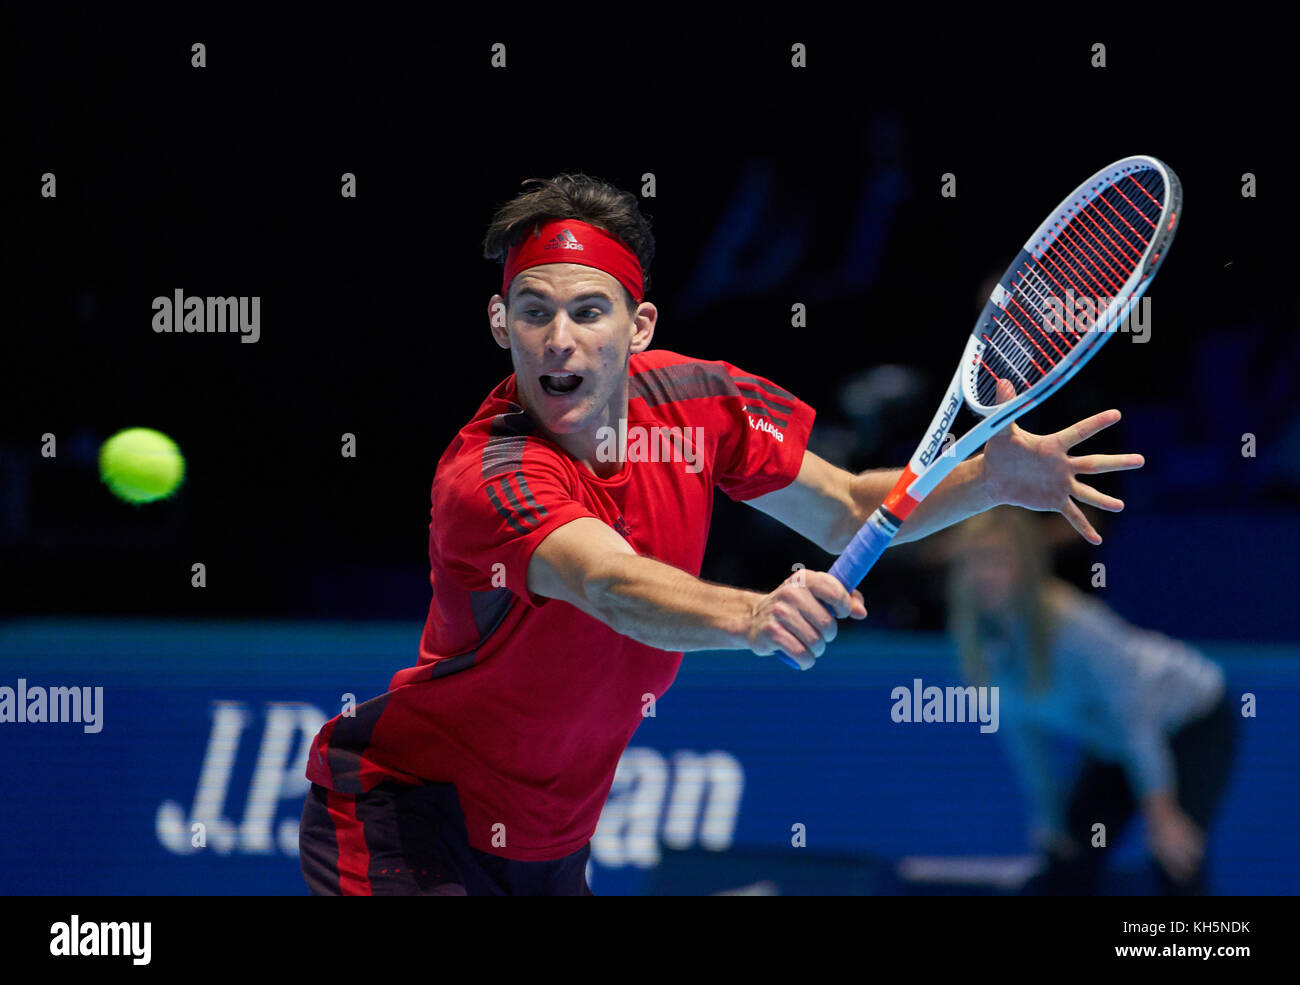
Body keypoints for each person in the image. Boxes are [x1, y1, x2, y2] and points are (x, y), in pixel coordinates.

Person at [299, 173, 1144, 895]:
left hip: (550, 845)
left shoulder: (701, 401)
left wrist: (988, 480)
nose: (560, 339)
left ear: (639, 327)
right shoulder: (489, 475)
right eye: (535, 311)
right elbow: (609, 584)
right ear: (500, 322)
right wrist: (753, 615)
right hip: (411, 813)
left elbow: (849, 503)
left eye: (590, 312)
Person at [946, 507, 1236, 895]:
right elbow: (1022, 733)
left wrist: (1161, 812)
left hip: (1192, 720)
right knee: (1068, 858)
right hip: (1115, 741)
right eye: (972, 560)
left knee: (1175, 856)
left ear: (1026, 565)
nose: (983, 574)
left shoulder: (1076, 627)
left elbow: (1135, 716)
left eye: (996, 558)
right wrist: (1049, 814)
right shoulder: (982, 645)